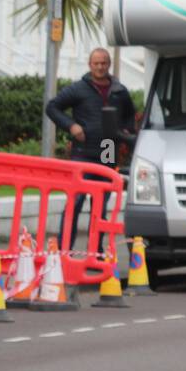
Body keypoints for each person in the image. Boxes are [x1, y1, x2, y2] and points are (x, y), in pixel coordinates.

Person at [45, 47, 137, 251]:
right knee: (75, 203)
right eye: (96, 63)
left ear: (109, 64)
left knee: (100, 207)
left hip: (108, 150)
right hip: (83, 152)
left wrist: (125, 131)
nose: (100, 67)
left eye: (103, 63)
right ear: (90, 65)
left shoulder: (120, 91)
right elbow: (52, 107)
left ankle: (95, 252)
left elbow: (131, 114)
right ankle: (63, 250)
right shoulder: (78, 88)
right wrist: (71, 126)